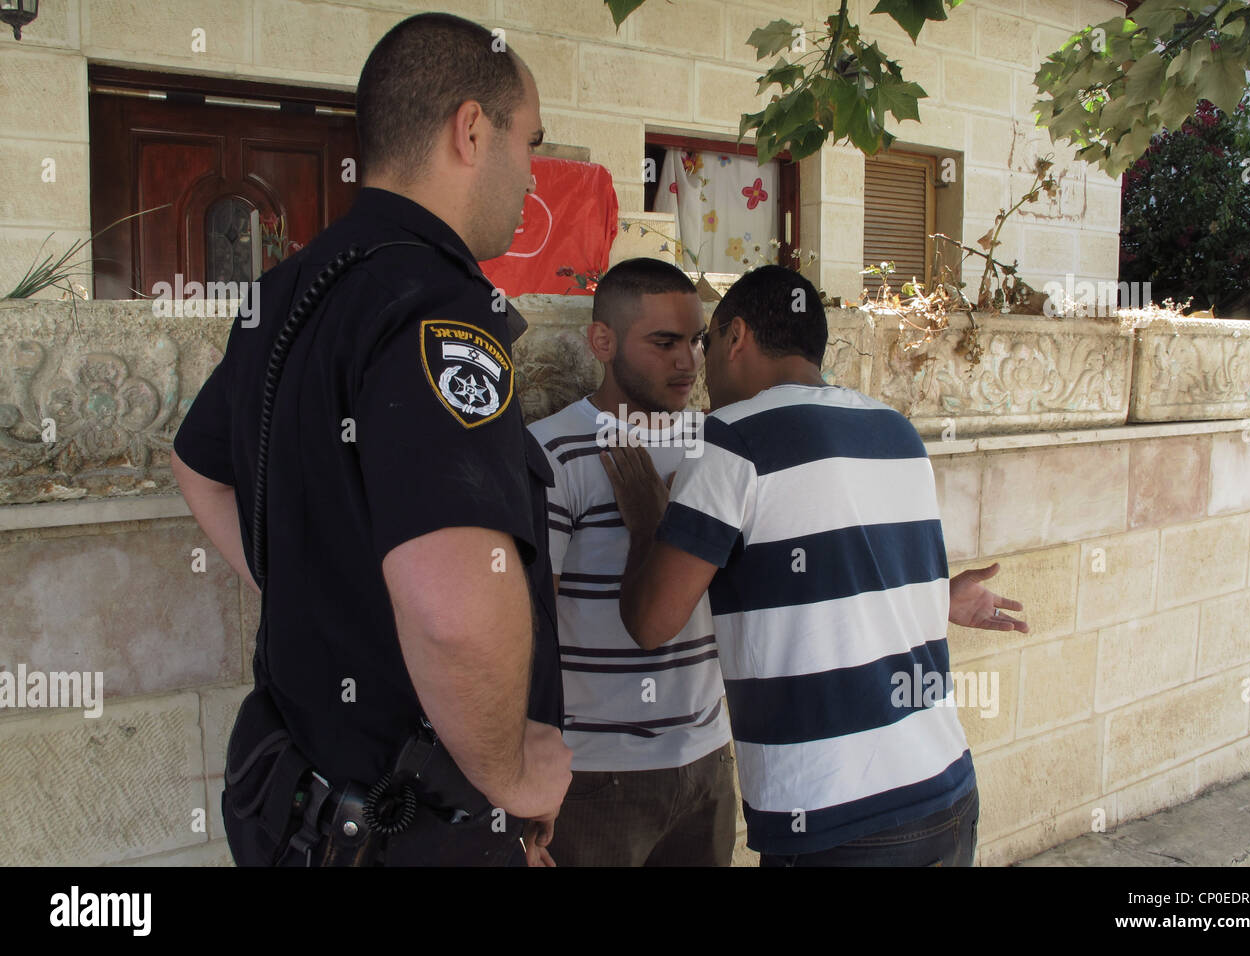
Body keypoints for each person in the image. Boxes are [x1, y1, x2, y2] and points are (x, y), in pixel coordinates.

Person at [170, 12, 570, 867]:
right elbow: (457, 612)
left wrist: (311, 583)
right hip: (416, 824)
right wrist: (512, 776)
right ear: (472, 129)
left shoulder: (282, 293)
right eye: (530, 143)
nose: (533, 178)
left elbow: (196, 467)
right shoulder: (438, 308)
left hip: (298, 808)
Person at [608, 265, 1029, 866]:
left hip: (838, 823)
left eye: (706, 342)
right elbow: (843, 577)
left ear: (736, 337)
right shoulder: (896, 433)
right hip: (946, 792)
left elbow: (652, 623)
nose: (698, 367)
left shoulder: (728, 440)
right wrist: (935, 597)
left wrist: (648, 519)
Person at [528, 258, 736, 866]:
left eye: (696, 341)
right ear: (603, 341)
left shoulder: (715, 446)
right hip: (596, 779)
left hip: (706, 762)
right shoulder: (553, 453)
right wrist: (526, 783)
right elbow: (527, 632)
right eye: (664, 342)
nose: (689, 362)